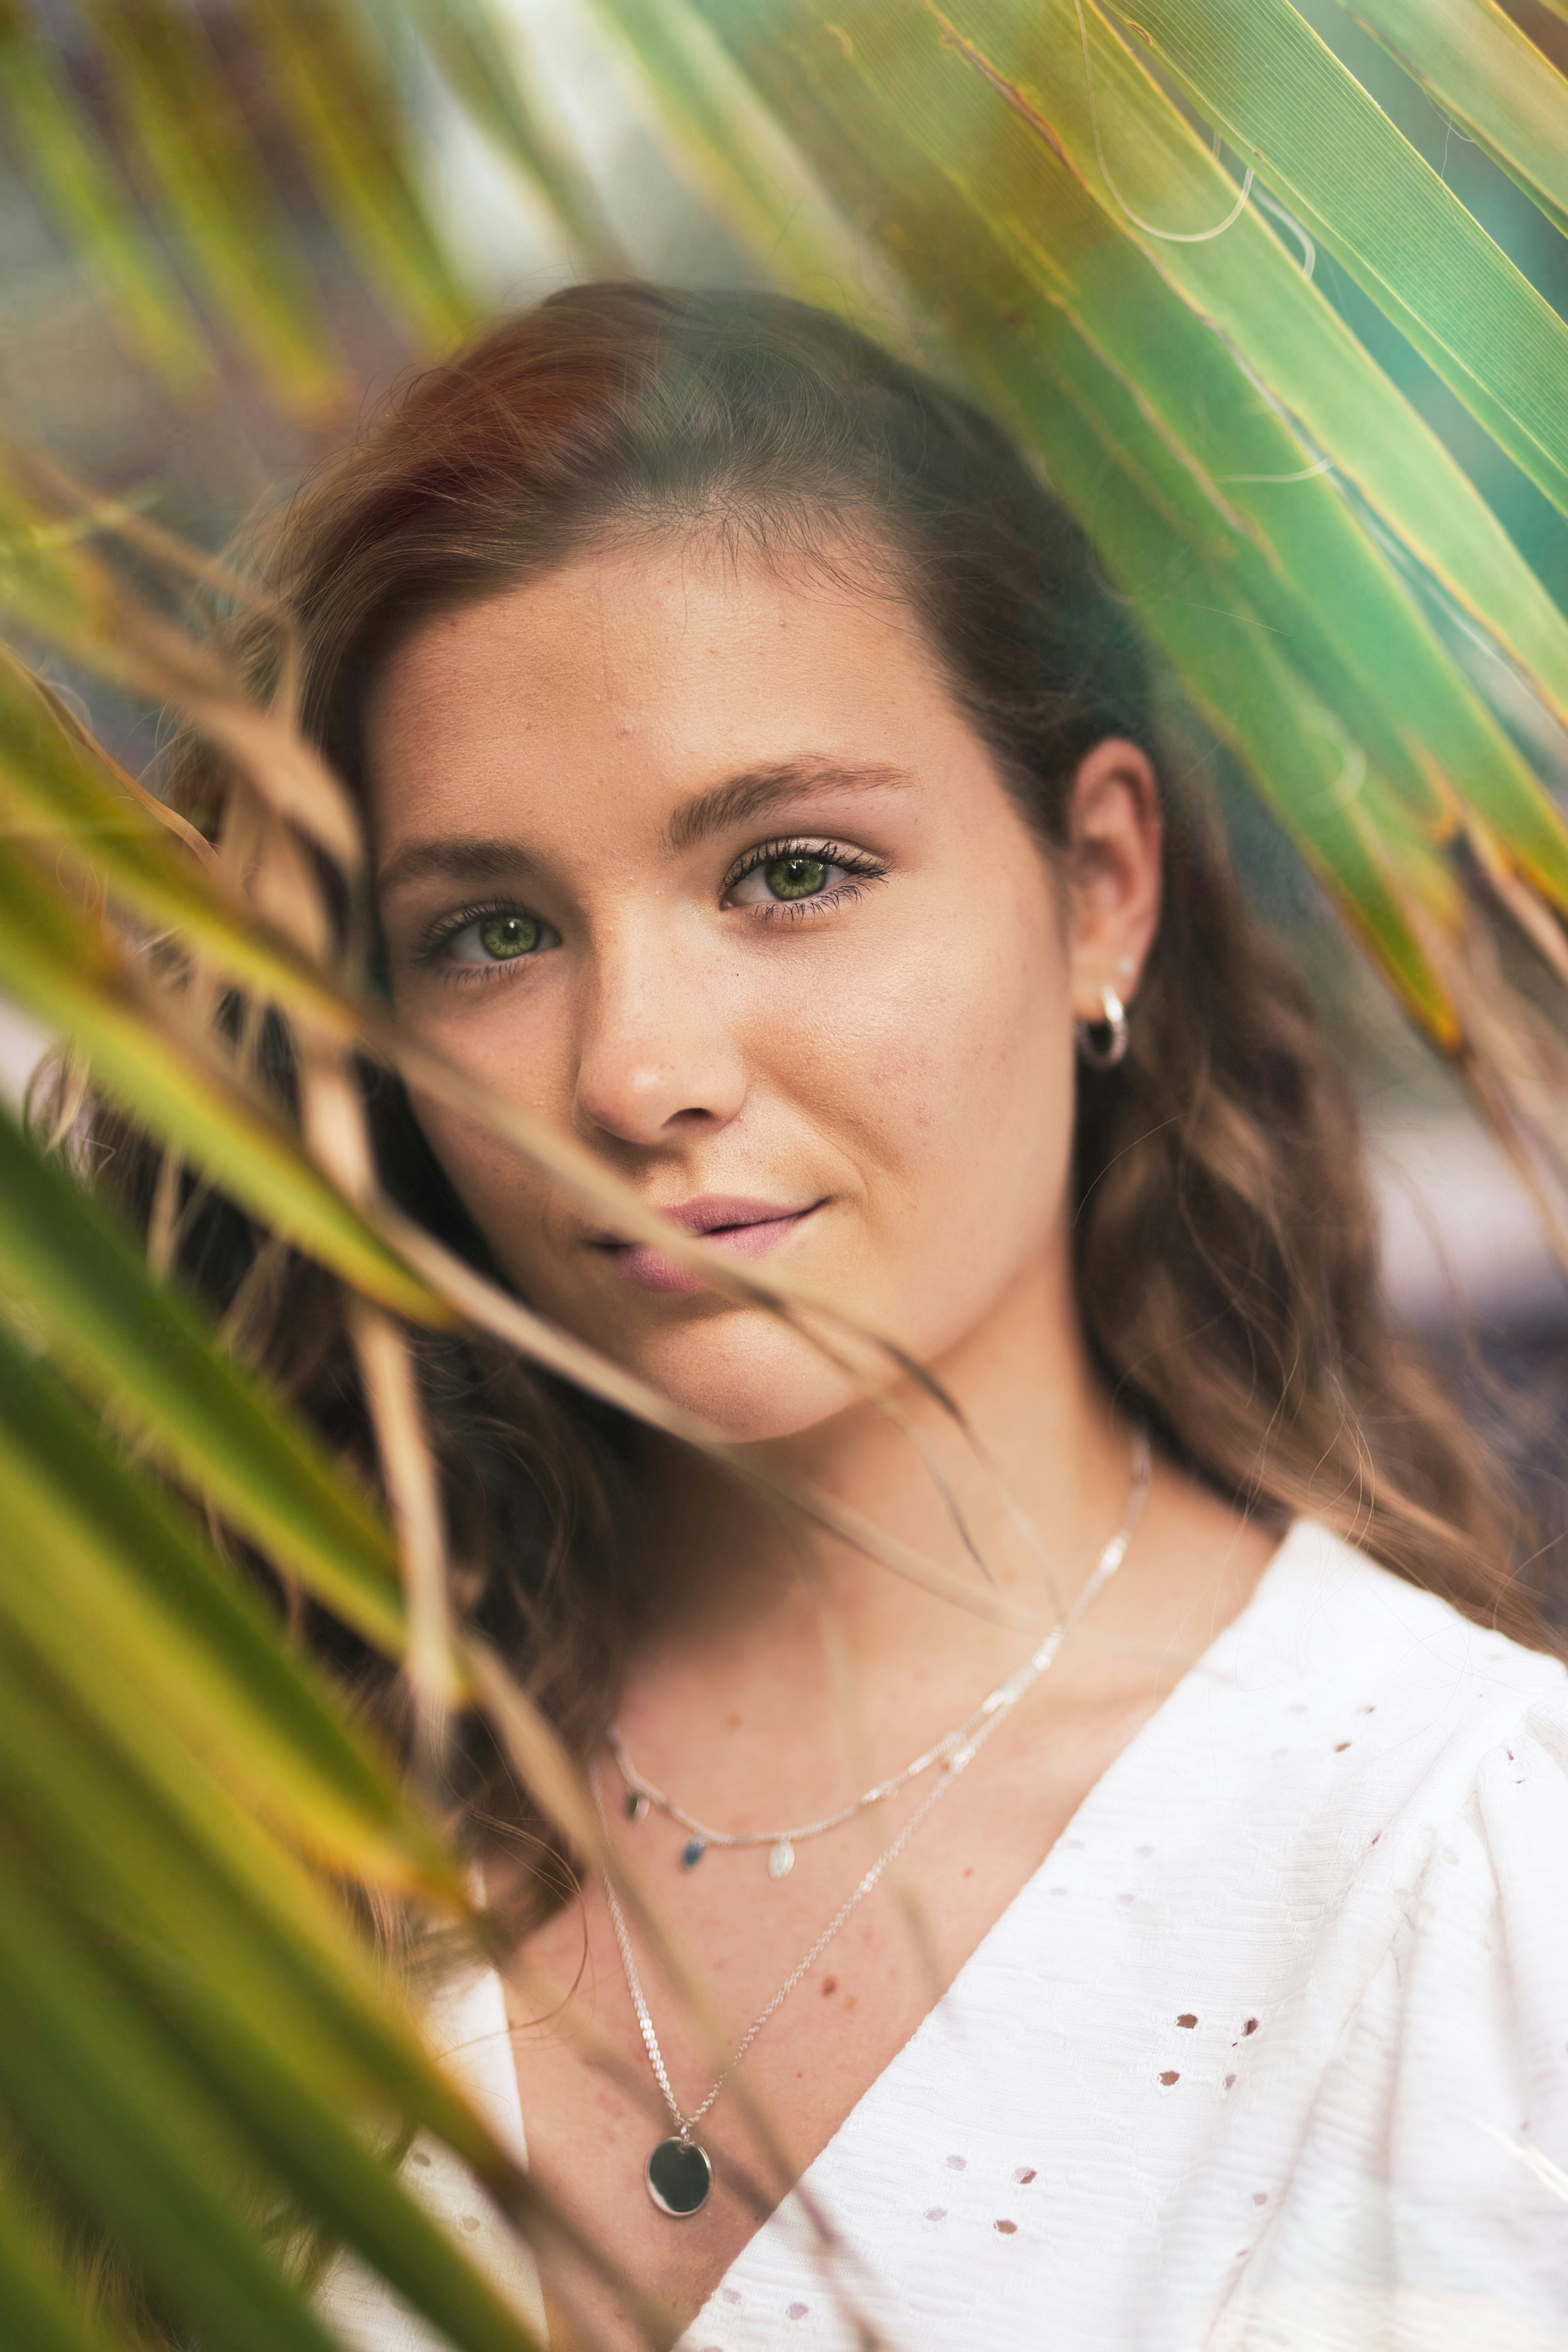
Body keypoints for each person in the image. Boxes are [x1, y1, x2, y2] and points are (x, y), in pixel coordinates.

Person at [121, 284, 1568, 2349]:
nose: (635, 1070)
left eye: (788, 872)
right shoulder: (253, 1815)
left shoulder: (1472, 1894)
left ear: (1098, 888)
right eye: (494, 933)